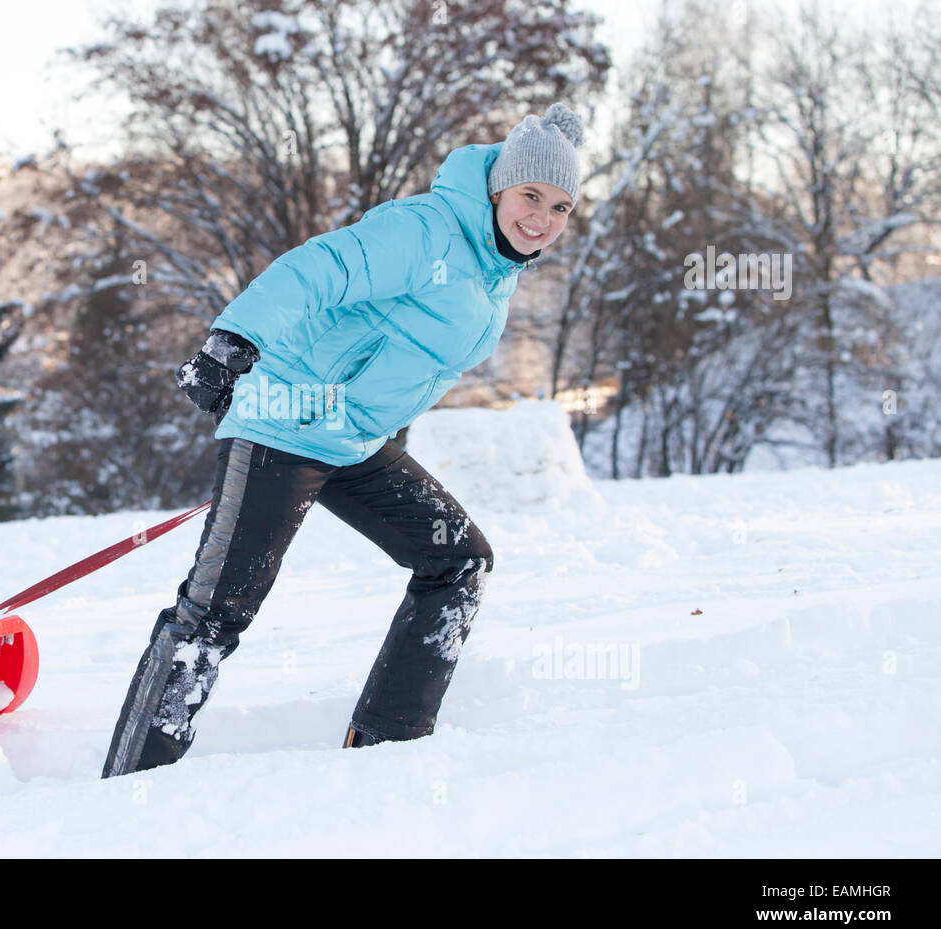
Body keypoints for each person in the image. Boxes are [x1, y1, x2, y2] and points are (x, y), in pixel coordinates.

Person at [101, 103, 584, 777]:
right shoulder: (428, 230)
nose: (543, 219)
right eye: (533, 196)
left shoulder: (494, 269)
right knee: (215, 613)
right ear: (500, 186)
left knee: (458, 561)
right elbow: (320, 267)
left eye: (561, 207)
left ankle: (384, 751)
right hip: (285, 419)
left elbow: (403, 353)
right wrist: (235, 338)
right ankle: (128, 787)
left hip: (353, 439)